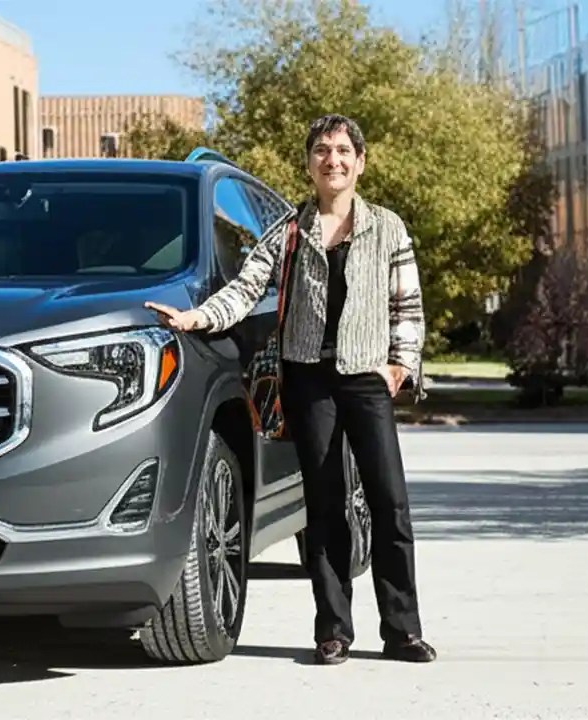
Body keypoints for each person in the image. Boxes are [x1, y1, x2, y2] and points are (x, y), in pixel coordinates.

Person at [145, 114, 436, 665]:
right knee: (323, 506)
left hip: (367, 377)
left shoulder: (388, 228)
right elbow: (245, 287)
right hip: (309, 379)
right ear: (309, 163)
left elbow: (408, 307)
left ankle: (402, 631)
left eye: (344, 150)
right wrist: (195, 319)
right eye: (323, 150)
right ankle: (333, 631)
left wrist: (400, 367)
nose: (334, 159)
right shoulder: (288, 231)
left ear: (360, 162)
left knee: (389, 504)